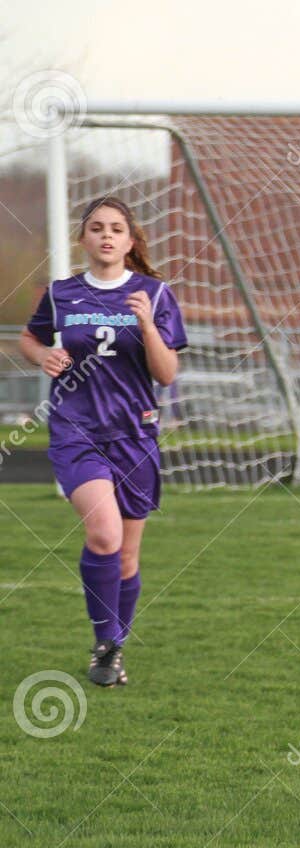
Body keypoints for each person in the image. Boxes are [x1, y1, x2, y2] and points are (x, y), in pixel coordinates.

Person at [20, 196, 187, 688]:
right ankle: (105, 644)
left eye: (116, 228)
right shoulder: (61, 294)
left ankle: (115, 650)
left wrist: (144, 327)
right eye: (96, 228)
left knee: (128, 558)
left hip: (134, 432)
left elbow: (167, 373)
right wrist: (41, 357)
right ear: (84, 239)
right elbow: (31, 339)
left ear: (131, 241)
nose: (107, 236)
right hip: (76, 430)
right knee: (104, 537)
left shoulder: (154, 295)